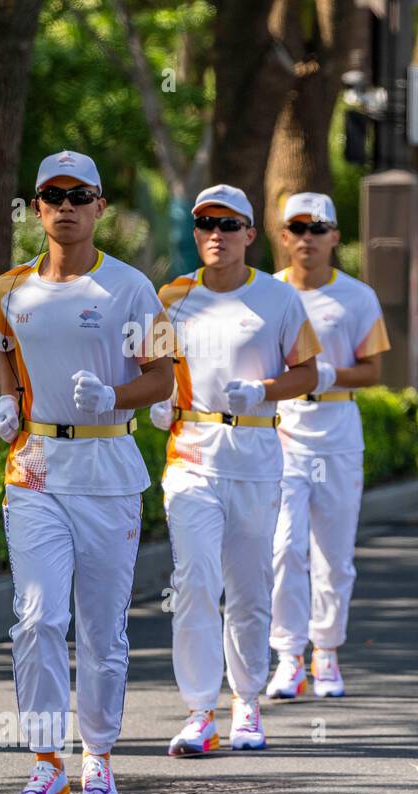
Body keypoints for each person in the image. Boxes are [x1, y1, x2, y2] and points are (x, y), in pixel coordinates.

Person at [0, 150, 175, 794]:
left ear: (99, 206)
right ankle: (46, 763)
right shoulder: (10, 288)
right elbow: (4, 348)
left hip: (108, 472)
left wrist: (114, 396)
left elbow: (163, 378)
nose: (65, 207)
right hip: (35, 471)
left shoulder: (131, 290)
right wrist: (8, 402)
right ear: (37, 207)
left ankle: (98, 755)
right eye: (52, 195)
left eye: (79, 195)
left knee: (100, 628)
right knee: (37, 617)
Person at [151, 185, 321, 756]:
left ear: (250, 233)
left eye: (228, 225)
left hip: (255, 455)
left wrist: (264, 390)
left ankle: (246, 701)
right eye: (205, 224)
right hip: (191, 455)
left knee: (249, 588)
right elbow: (151, 367)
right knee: (195, 581)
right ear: (196, 233)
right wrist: (157, 401)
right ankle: (200, 710)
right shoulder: (170, 297)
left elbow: (309, 374)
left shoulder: (278, 299)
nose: (215, 235)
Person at [265, 192, 390, 700]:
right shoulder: (267, 293)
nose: (307, 238)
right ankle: (289, 655)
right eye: (298, 228)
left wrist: (326, 372)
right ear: (283, 235)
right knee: (284, 547)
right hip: (282, 428)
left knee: (333, 554)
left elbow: (374, 371)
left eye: (318, 229)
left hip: (336, 425)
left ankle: (327, 650)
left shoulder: (357, 297)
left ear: (335, 236)